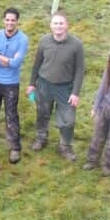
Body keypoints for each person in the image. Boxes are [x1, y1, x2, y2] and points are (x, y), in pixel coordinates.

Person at [27, 12, 86, 161]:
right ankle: (41, 138)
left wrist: (75, 92)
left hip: (65, 88)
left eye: (61, 23)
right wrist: (32, 84)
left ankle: (65, 146)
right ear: (51, 26)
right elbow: (37, 64)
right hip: (44, 85)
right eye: (55, 23)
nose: (58, 26)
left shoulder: (76, 45)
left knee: (68, 119)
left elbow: (80, 70)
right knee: (42, 113)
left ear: (67, 25)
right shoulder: (44, 41)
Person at [0, 9, 29, 163]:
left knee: (11, 115)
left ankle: (15, 147)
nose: (10, 23)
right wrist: (9, 60)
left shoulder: (23, 39)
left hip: (11, 83)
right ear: (3, 20)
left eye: (13, 20)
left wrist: (2, 58)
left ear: (17, 21)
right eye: (7, 19)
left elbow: (16, 63)